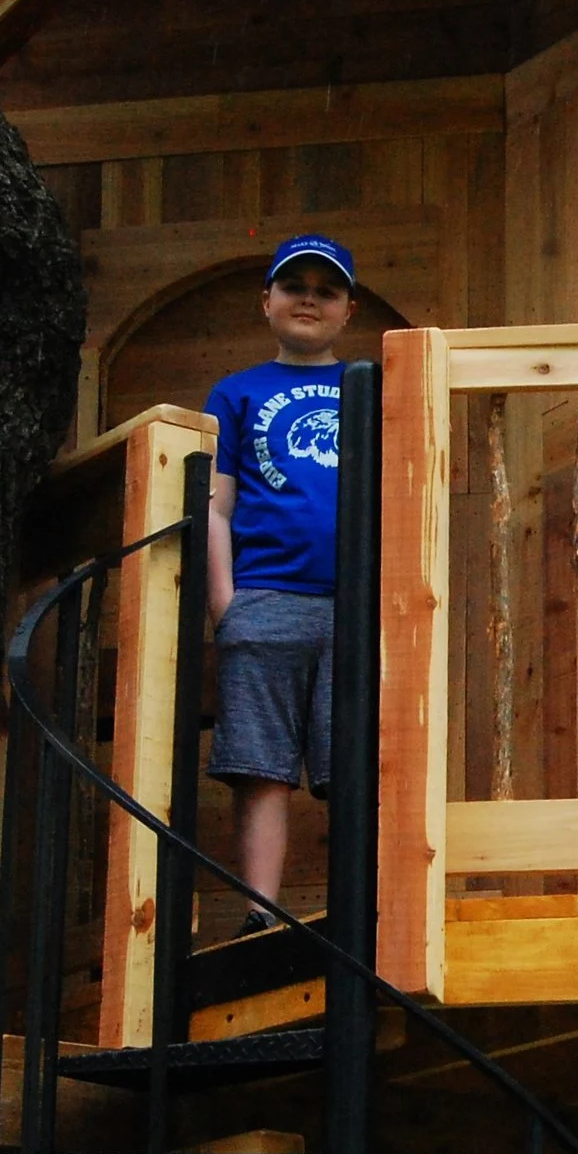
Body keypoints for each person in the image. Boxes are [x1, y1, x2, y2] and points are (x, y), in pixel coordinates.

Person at [203, 234, 361, 933]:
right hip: (263, 599)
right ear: (266, 302)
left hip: (355, 605)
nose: (308, 298)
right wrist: (224, 605)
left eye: (325, 289)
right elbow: (216, 504)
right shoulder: (236, 393)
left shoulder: (369, 387)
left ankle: (359, 913)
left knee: (353, 768)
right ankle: (261, 916)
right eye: (293, 285)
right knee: (260, 769)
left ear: (347, 309)